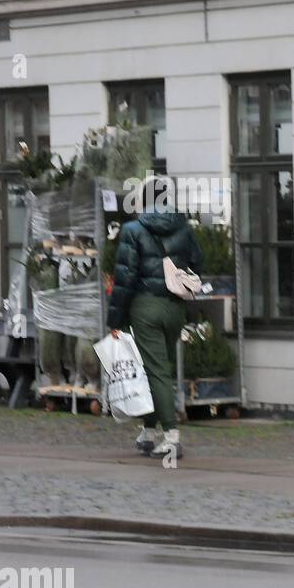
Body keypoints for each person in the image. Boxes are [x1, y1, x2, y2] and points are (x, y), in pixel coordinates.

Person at [107, 178, 203, 460]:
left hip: (144, 307)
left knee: (156, 371)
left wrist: (115, 320)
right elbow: (197, 262)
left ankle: (171, 436)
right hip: (175, 307)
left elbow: (124, 278)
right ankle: (148, 431)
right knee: (155, 368)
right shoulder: (183, 227)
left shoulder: (132, 230)